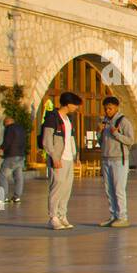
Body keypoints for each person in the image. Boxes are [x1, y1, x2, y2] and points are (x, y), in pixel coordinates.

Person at [42, 92, 82, 230]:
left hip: (69, 158)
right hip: (58, 159)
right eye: (76, 105)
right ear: (69, 104)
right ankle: (53, 217)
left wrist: (76, 157)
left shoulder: (68, 119)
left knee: (66, 189)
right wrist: (54, 157)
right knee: (57, 187)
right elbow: (47, 140)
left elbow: (71, 139)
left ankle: (62, 215)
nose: (77, 107)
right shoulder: (52, 118)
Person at [98, 96, 134, 227]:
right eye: (106, 108)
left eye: (110, 108)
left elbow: (130, 140)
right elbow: (100, 142)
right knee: (109, 190)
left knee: (119, 189)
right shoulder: (105, 122)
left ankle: (123, 217)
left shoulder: (123, 122)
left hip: (119, 160)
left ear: (116, 107)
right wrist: (99, 132)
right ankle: (113, 216)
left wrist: (116, 134)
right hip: (106, 159)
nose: (107, 111)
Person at [0, 115, 28, 204]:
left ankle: (2, 197)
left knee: (2, 175)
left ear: (7, 122)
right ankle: (16, 197)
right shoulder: (21, 129)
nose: (4, 126)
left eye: (4, 124)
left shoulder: (9, 129)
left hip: (12, 156)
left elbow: (6, 142)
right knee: (18, 177)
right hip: (21, 156)